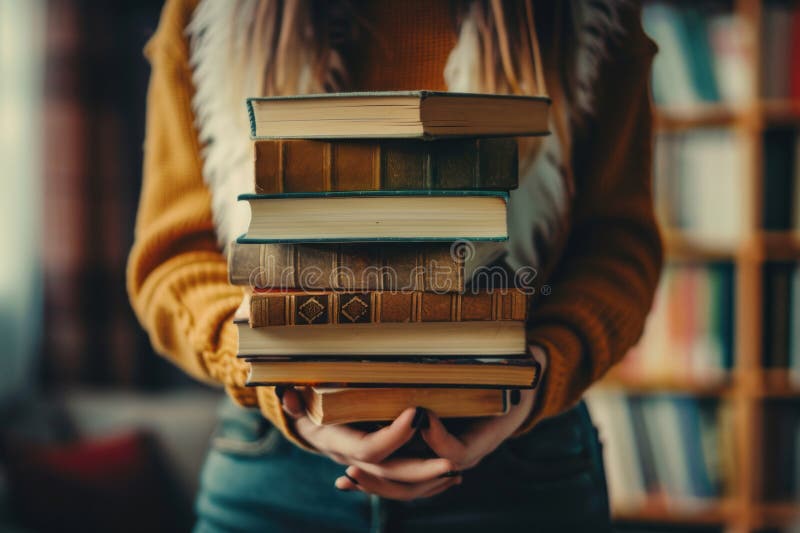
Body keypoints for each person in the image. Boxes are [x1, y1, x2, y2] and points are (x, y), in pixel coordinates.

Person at [127, 0, 662, 531]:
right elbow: (173, 259)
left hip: (520, 467)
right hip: (278, 471)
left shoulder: (589, 14)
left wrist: (532, 379)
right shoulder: (209, 12)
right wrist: (269, 372)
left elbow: (617, 249)